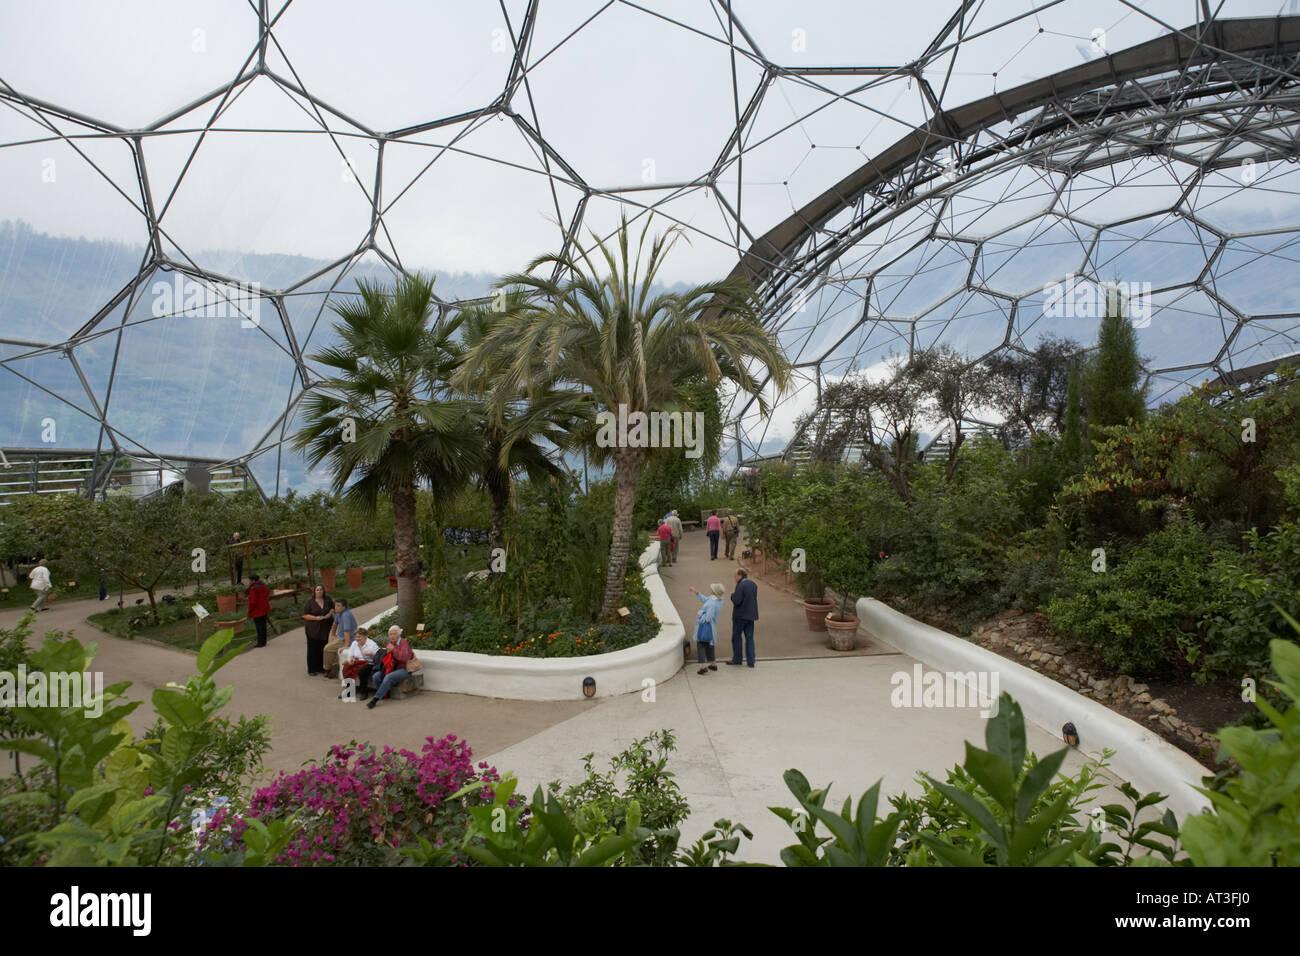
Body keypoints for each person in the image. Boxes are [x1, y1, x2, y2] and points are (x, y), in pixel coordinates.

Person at [366, 625, 417, 709]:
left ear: (399, 635)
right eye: (390, 634)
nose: (392, 636)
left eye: (394, 634)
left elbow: (404, 658)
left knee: (388, 677)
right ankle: (384, 694)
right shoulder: (390, 643)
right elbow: (388, 658)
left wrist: (393, 649)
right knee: (376, 676)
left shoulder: (403, 642)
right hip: (392, 668)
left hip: (405, 669)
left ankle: (375, 699)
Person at [726, 567, 759, 668]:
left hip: (740, 616)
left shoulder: (740, 586)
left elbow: (737, 601)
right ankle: (751, 661)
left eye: (735, 576)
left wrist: (732, 595)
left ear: (740, 576)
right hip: (751, 615)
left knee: (736, 637)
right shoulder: (753, 585)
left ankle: (737, 659)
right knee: (749, 638)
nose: (734, 578)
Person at [688, 583, 724, 674]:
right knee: (710, 645)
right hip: (712, 627)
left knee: (701, 644)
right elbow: (705, 600)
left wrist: (699, 614)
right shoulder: (717, 599)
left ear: (714, 591)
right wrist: (696, 592)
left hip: (706, 626)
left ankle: (703, 667)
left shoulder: (712, 603)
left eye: (712, 588)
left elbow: (708, 617)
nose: (710, 589)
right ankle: (713, 664)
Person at [339, 626, 379, 700]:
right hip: (357, 662)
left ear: (365, 636)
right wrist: (349, 660)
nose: (357, 639)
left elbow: (377, 659)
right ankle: (349, 691)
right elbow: (350, 655)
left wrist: (371, 654)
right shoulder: (354, 643)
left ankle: (364, 692)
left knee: (362, 670)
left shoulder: (372, 644)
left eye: (359, 637)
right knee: (346, 668)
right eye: (356, 637)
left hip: (369, 663)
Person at [301, 584, 333, 676]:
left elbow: (332, 608)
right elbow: (304, 615)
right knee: (312, 648)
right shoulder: (310, 602)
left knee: (322, 648)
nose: (319, 591)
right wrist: (315, 618)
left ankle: (321, 667)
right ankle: (312, 669)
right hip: (312, 628)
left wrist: (329, 614)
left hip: (324, 628)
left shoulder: (327, 600)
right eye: (317, 590)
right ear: (314, 592)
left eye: (321, 590)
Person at [324, 598, 358, 676]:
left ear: (344, 607)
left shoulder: (346, 615)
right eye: (335, 605)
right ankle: (335, 665)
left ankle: (327, 669)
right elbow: (335, 624)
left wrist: (346, 645)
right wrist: (332, 635)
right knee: (332, 647)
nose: (336, 607)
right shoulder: (338, 613)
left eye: (338, 606)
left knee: (327, 649)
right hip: (339, 637)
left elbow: (347, 631)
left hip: (347, 639)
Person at [247, 573, 271, 647]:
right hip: (264, 608)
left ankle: (260, 642)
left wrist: (250, 610)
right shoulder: (263, 585)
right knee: (263, 626)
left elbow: (253, 601)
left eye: (250, 580)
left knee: (259, 627)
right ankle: (264, 641)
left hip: (257, 610)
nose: (249, 582)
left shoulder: (254, 588)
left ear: (253, 580)